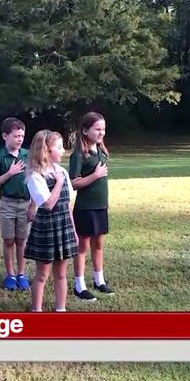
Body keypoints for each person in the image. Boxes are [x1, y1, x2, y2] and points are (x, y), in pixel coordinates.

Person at [24, 130, 79, 312]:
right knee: (42, 274)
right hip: (47, 227)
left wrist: (73, 230)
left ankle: (60, 309)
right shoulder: (35, 176)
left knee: (61, 274)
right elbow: (48, 204)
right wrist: (58, 183)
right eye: (59, 147)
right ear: (46, 150)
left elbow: (68, 204)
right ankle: (36, 310)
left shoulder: (61, 171)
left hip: (63, 225)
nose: (63, 151)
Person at [69, 112, 112, 301]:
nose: (101, 132)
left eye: (103, 129)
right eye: (97, 129)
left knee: (98, 243)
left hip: (100, 205)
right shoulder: (79, 154)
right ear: (85, 130)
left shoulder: (101, 151)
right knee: (82, 245)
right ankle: (79, 285)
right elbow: (74, 183)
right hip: (85, 207)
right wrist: (95, 175)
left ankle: (99, 280)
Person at [0, 117, 32, 291]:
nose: (20, 139)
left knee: (22, 240)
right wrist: (10, 173)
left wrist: (34, 206)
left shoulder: (27, 155)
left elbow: (36, 180)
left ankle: (21, 274)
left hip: (26, 203)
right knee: (8, 240)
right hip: (7, 203)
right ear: (5, 136)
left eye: (22, 135)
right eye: (16, 136)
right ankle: (10, 274)